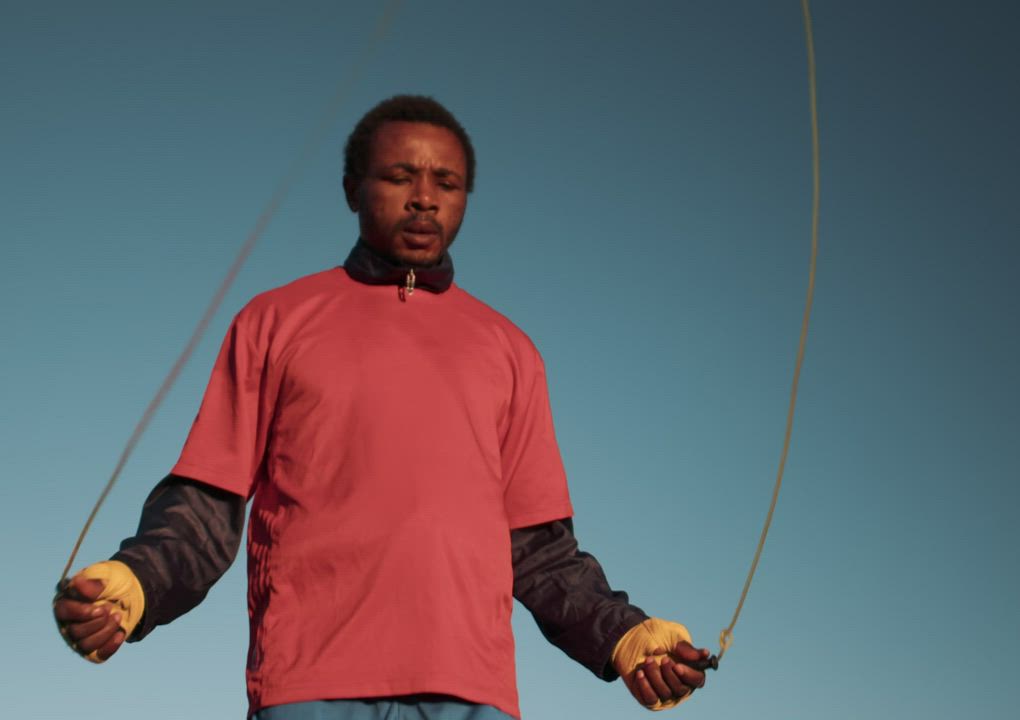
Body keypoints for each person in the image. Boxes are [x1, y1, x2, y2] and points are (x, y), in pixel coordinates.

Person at [53, 95, 710, 719]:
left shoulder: (511, 350)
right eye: (400, 175)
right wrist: (136, 582)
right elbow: (207, 505)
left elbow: (538, 550)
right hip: (312, 681)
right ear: (351, 189)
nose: (424, 197)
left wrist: (622, 635)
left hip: (472, 689)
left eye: (447, 183)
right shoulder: (274, 320)